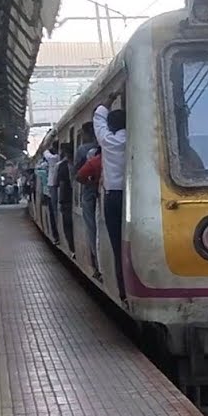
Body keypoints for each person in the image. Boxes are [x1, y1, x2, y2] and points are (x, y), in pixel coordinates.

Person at [94, 102, 128, 299]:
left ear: (112, 126)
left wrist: (105, 103)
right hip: (133, 196)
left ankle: (123, 291)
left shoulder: (107, 140)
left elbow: (98, 120)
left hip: (112, 197)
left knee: (117, 246)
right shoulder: (135, 139)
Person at [76, 146, 103, 279]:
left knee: (93, 230)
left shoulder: (95, 161)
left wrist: (91, 182)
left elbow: (79, 176)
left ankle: (98, 266)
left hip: (95, 197)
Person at [56, 143, 76, 254]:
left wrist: (60, 200)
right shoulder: (76, 162)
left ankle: (72, 249)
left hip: (66, 199)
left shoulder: (62, 166)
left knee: (67, 225)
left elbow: (60, 183)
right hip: (74, 197)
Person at [43, 142, 62, 244]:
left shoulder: (53, 159)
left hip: (52, 186)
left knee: (54, 211)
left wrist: (47, 147)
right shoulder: (59, 158)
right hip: (56, 186)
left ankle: (56, 235)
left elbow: (45, 153)